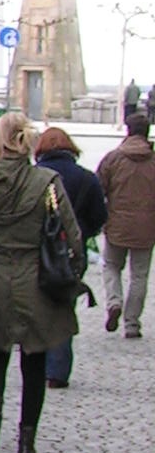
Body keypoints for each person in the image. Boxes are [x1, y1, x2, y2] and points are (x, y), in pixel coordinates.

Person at [0, 111, 82, 453]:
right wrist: (74, 269)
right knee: (34, 359)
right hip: (35, 277)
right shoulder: (47, 182)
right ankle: (26, 444)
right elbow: (71, 232)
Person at [35, 126, 107, 386]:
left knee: (38, 304)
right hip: (71, 252)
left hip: (39, 250)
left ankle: (37, 364)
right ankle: (57, 371)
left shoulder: (35, 176)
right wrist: (82, 231)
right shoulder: (86, 178)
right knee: (64, 306)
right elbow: (100, 216)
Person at [97, 112, 155, 341]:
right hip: (147, 227)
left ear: (128, 130)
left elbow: (98, 189)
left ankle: (114, 302)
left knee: (111, 266)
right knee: (139, 275)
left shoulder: (113, 158)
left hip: (117, 225)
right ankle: (132, 324)